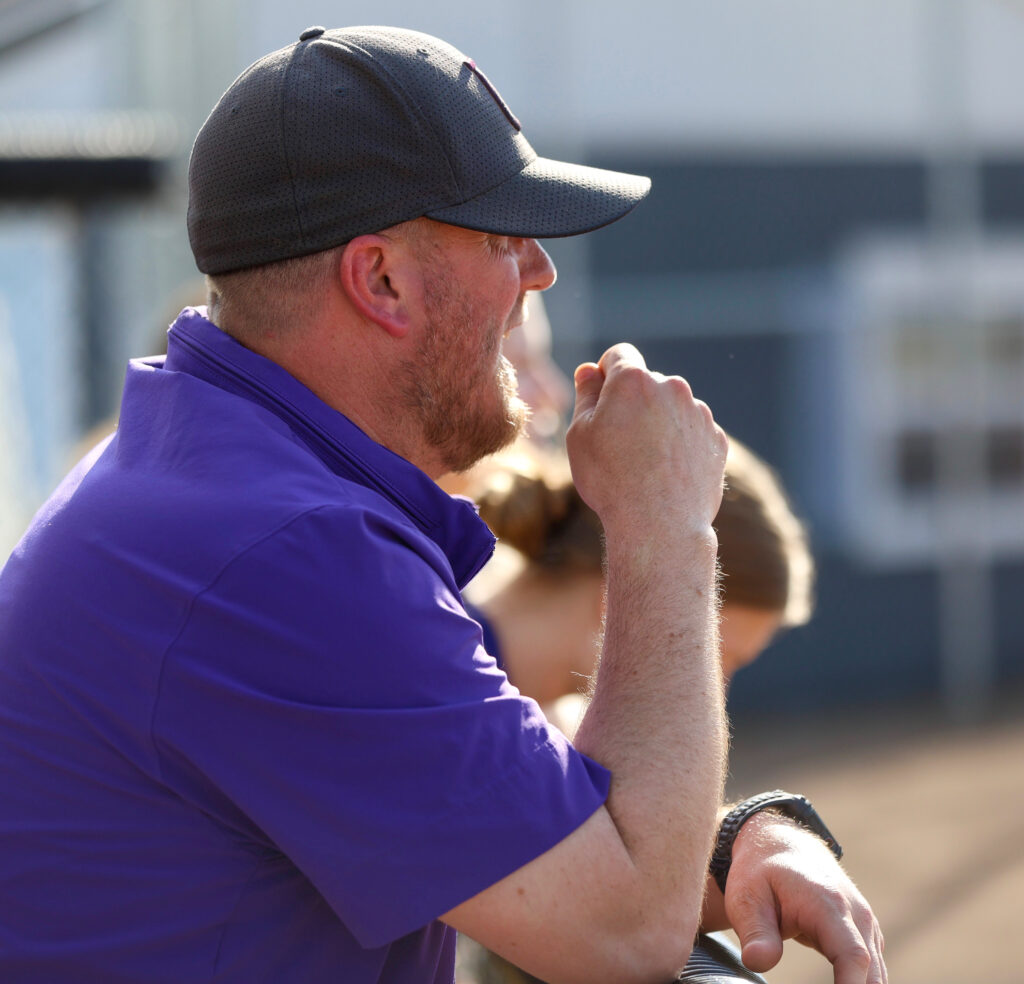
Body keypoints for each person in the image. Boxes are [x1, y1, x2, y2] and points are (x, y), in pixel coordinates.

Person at [0, 25, 885, 984]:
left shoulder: (218, 465)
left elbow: (521, 833)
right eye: (504, 236)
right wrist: (663, 525)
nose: (540, 271)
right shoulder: (288, 547)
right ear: (380, 279)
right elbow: (623, 935)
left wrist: (740, 838)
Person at [464, 436, 814, 730]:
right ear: (625, 594)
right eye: (714, 658)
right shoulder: (452, 702)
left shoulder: (513, 716)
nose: (714, 699)